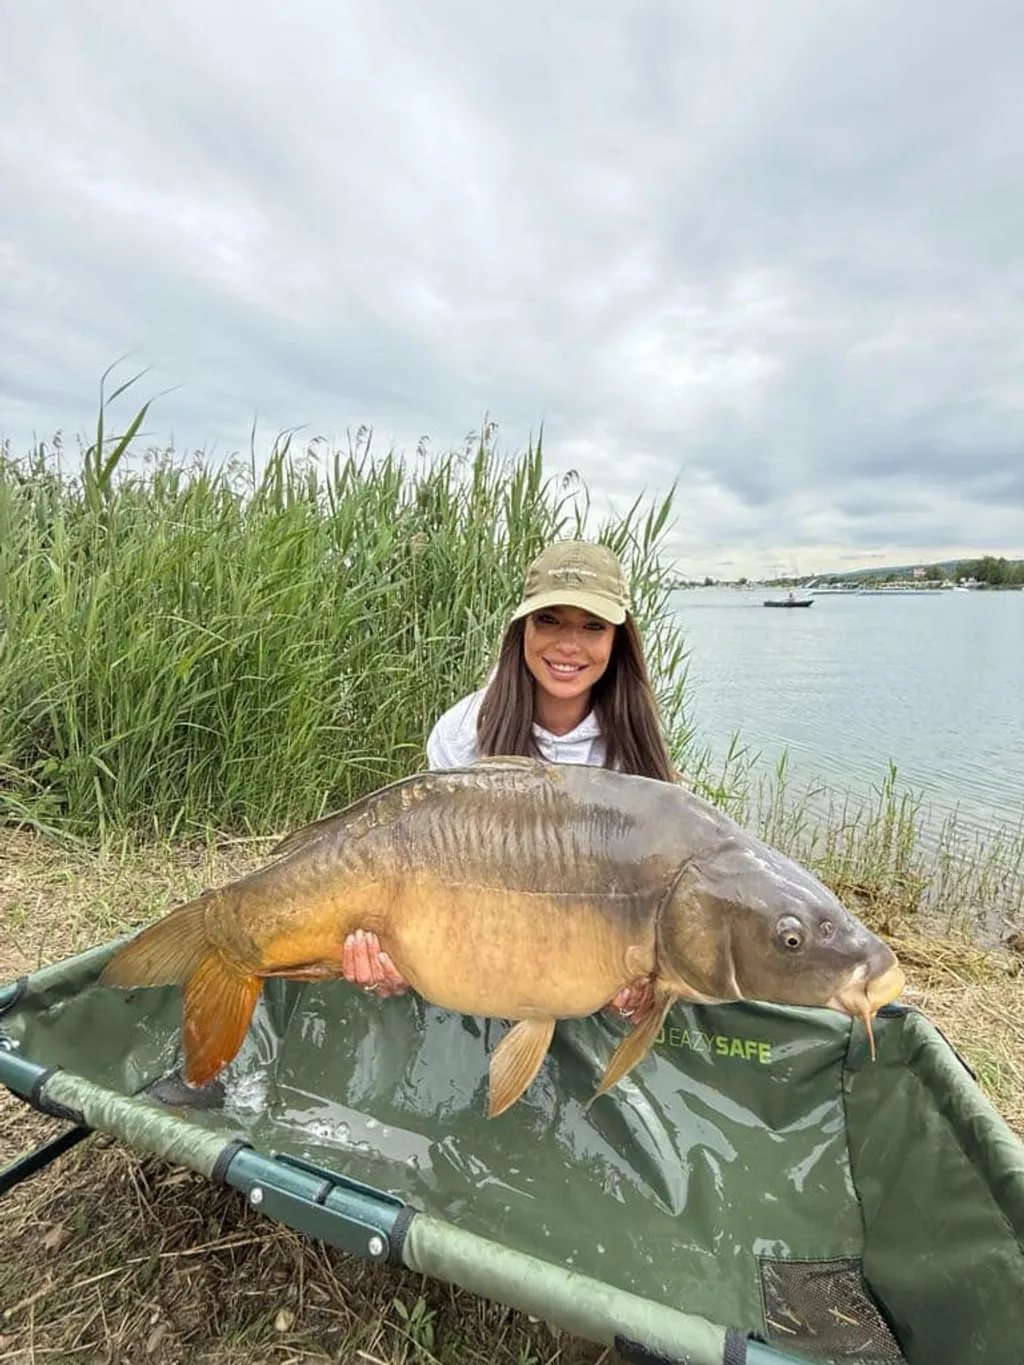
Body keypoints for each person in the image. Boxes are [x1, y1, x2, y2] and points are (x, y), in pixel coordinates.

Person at [339, 538, 677, 1020]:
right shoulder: (462, 732)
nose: (568, 644)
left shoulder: (633, 744)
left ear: (617, 640)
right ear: (521, 628)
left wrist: (642, 990)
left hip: (580, 962)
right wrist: (401, 961)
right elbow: (431, 873)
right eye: (549, 619)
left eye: (592, 626)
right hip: (478, 947)